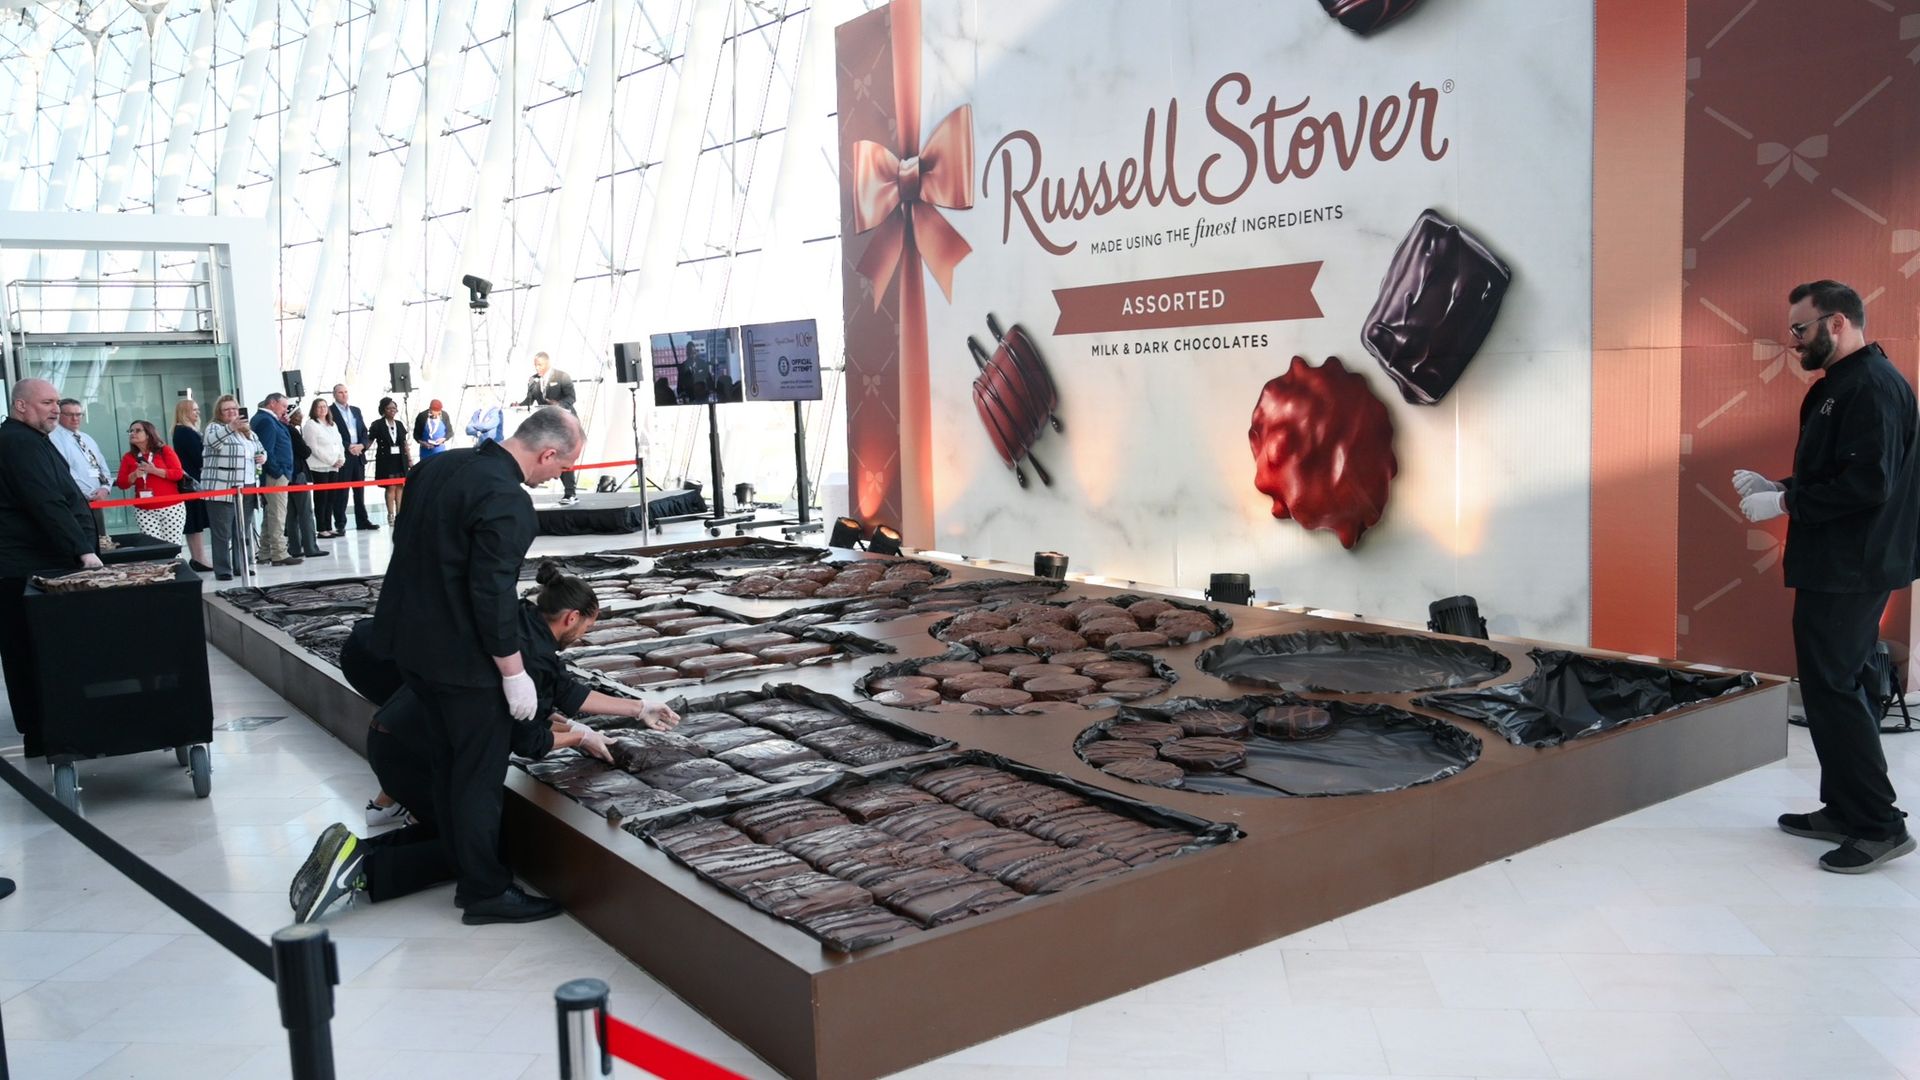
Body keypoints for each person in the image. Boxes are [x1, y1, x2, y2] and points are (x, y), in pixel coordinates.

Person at [290, 563, 679, 921]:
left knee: (460, 835)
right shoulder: (533, 657)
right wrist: (580, 735)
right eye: (585, 629)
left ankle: (354, 852)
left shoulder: (517, 625)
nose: (582, 638)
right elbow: (531, 740)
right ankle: (363, 871)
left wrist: (638, 707)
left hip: (398, 736)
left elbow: (567, 692)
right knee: (480, 851)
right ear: (571, 617)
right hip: (413, 754)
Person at [354, 405, 583, 924]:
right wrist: (513, 672)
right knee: (478, 776)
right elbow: (491, 594)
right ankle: (484, 892)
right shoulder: (509, 501)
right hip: (463, 663)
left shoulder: (435, 467)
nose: (559, 475)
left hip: (411, 648)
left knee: (447, 764)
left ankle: (465, 866)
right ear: (547, 453)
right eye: (563, 467)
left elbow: (409, 547)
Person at [1736, 279, 1920, 874]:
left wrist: (1786, 506)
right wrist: (1783, 489)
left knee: (1833, 689)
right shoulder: (1841, 386)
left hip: (1854, 564)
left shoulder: (1871, 387)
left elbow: (1871, 485)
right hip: (1837, 561)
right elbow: (1838, 470)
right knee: (1831, 685)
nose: (1792, 341)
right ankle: (1843, 809)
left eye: (1800, 328)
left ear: (1836, 324)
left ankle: (1878, 824)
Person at [0, 379, 103, 757]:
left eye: (57, 401)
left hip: (32, 564)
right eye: (47, 402)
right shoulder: (17, 443)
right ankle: (44, 734)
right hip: (26, 569)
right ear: (21, 406)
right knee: (31, 653)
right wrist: (82, 551)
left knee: (36, 652)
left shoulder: (32, 440)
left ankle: (47, 731)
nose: (55, 408)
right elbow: (44, 501)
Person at [201, 394, 265, 582]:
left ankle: (241, 565)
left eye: (234, 409)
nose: (232, 412)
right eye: (227, 410)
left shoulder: (248, 432)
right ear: (219, 413)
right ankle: (223, 569)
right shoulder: (215, 427)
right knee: (223, 531)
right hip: (223, 488)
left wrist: (263, 457)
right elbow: (211, 442)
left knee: (242, 530)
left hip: (248, 486)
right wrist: (231, 427)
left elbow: (260, 448)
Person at [113, 420, 187, 548]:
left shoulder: (164, 451)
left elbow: (178, 474)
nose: (132, 433)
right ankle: (159, 569)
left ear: (148, 434)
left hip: (171, 507)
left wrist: (153, 470)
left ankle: (174, 568)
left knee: (173, 547)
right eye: (130, 431)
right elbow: (121, 483)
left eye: (137, 430)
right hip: (144, 510)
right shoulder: (128, 457)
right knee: (153, 548)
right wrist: (134, 475)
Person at [50, 398, 113, 544]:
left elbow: (102, 467)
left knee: (102, 543)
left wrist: (105, 488)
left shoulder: (87, 438)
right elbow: (63, 473)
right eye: (69, 414)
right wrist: (83, 494)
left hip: (96, 502)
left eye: (79, 414)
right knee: (82, 544)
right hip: (75, 502)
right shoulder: (53, 439)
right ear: (59, 415)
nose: (75, 418)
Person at [248, 394, 301, 567]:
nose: (286, 410)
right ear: (272, 403)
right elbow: (266, 450)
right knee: (278, 514)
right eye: (283, 405)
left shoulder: (270, 419)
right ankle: (279, 553)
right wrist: (278, 472)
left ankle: (264, 552)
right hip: (275, 475)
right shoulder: (265, 421)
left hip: (278, 474)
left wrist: (284, 424)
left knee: (271, 514)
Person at [520, 352, 580, 504]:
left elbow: (571, 398)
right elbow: (529, 399)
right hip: (548, 423)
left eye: (539, 364)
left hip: (565, 422)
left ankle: (570, 493)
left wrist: (557, 405)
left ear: (547, 363)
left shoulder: (562, 376)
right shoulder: (533, 380)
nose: (537, 368)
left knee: (563, 456)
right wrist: (519, 405)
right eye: (535, 365)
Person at [328, 384, 377, 531]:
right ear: (334, 394)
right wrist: (348, 446)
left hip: (359, 455)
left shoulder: (355, 410)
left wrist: (362, 445)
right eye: (340, 392)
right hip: (344, 455)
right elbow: (331, 433)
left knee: (359, 491)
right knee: (342, 492)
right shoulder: (330, 411)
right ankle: (340, 524)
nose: (344, 395)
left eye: (346, 392)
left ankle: (362, 521)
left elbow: (363, 431)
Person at [172, 397, 212, 571]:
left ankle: (199, 557)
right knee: (194, 523)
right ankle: (199, 558)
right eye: (194, 410)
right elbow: (199, 457)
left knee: (196, 523)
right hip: (193, 483)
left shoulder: (184, 431)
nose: (197, 413)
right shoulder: (185, 432)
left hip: (194, 481)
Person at [283, 411, 327, 559]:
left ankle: (294, 547)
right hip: (298, 474)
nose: (301, 417)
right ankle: (310, 547)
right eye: (298, 414)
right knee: (305, 512)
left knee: (292, 514)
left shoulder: (283, 429)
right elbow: (305, 451)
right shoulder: (292, 430)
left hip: (288, 475)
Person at [303, 399, 347, 540]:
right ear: (314, 409)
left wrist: (341, 459)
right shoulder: (311, 424)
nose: (322, 409)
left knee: (331, 498)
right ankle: (321, 528)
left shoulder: (332, 425)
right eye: (319, 407)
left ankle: (329, 526)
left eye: (324, 406)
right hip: (319, 466)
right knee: (322, 498)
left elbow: (339, 443)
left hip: (334, 467)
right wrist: (332, 461)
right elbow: (313, 448)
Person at [369, 396, 410, 524]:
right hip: (386, 459)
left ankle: (400, 514)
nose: (392, 410)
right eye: (389, 408)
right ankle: (390, 514)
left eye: (394, 408)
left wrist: (409, 458)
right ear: (383, 410)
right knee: (390, 487)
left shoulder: (399, 424)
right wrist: (361, 449)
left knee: (400, 486)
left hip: (400, 459)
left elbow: (404, 443)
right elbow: (370, 440)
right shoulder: (377, 424)